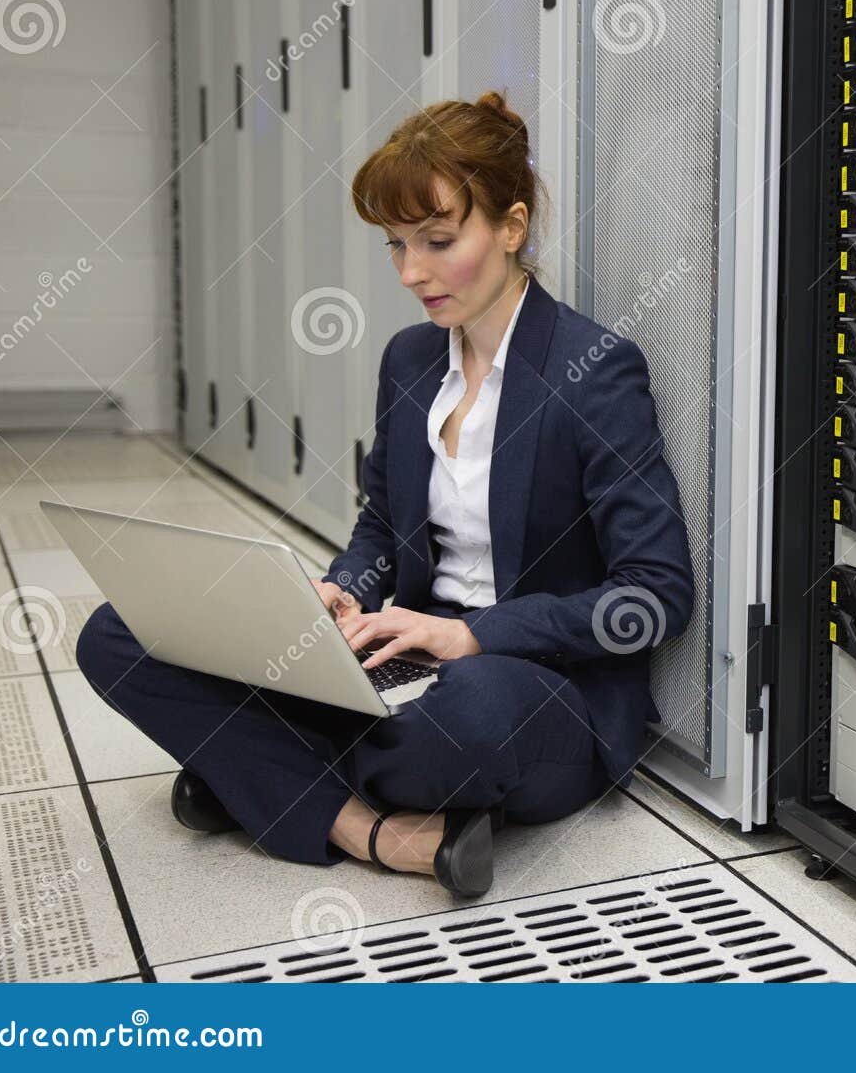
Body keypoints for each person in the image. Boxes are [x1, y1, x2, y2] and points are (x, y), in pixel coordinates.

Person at [76, 90, 696, 899]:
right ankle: (372, 826)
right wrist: (344, 588)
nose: (411, 272)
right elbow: (379, 525)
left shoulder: (594, 369)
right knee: (117, 633)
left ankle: (255, 776)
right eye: (397, 244)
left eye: (438, 241)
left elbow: (655, 594)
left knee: (465, 715)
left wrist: (469, 636)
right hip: (402, 660)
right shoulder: (410, 362)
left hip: (528, 685)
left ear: (511, 228)